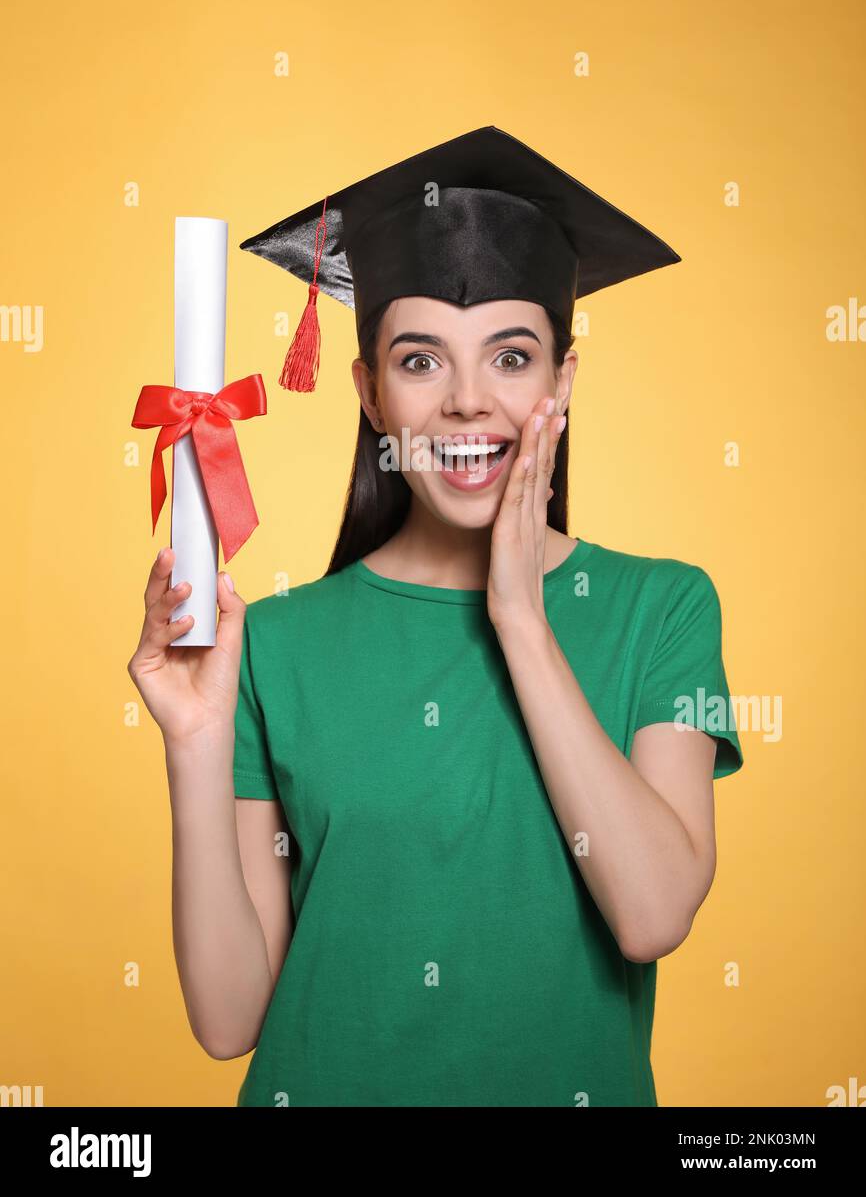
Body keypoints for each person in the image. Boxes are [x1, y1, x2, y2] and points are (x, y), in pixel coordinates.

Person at [127, 127, 744, 1107]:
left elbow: (652, 911)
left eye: (509, 355)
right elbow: (229, 1018)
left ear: (562, 384)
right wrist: (195, 742)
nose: (467, 402)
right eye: (420, 362)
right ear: (370, 394)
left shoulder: (659, 608)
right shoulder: (274, 645)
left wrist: (520, 618)